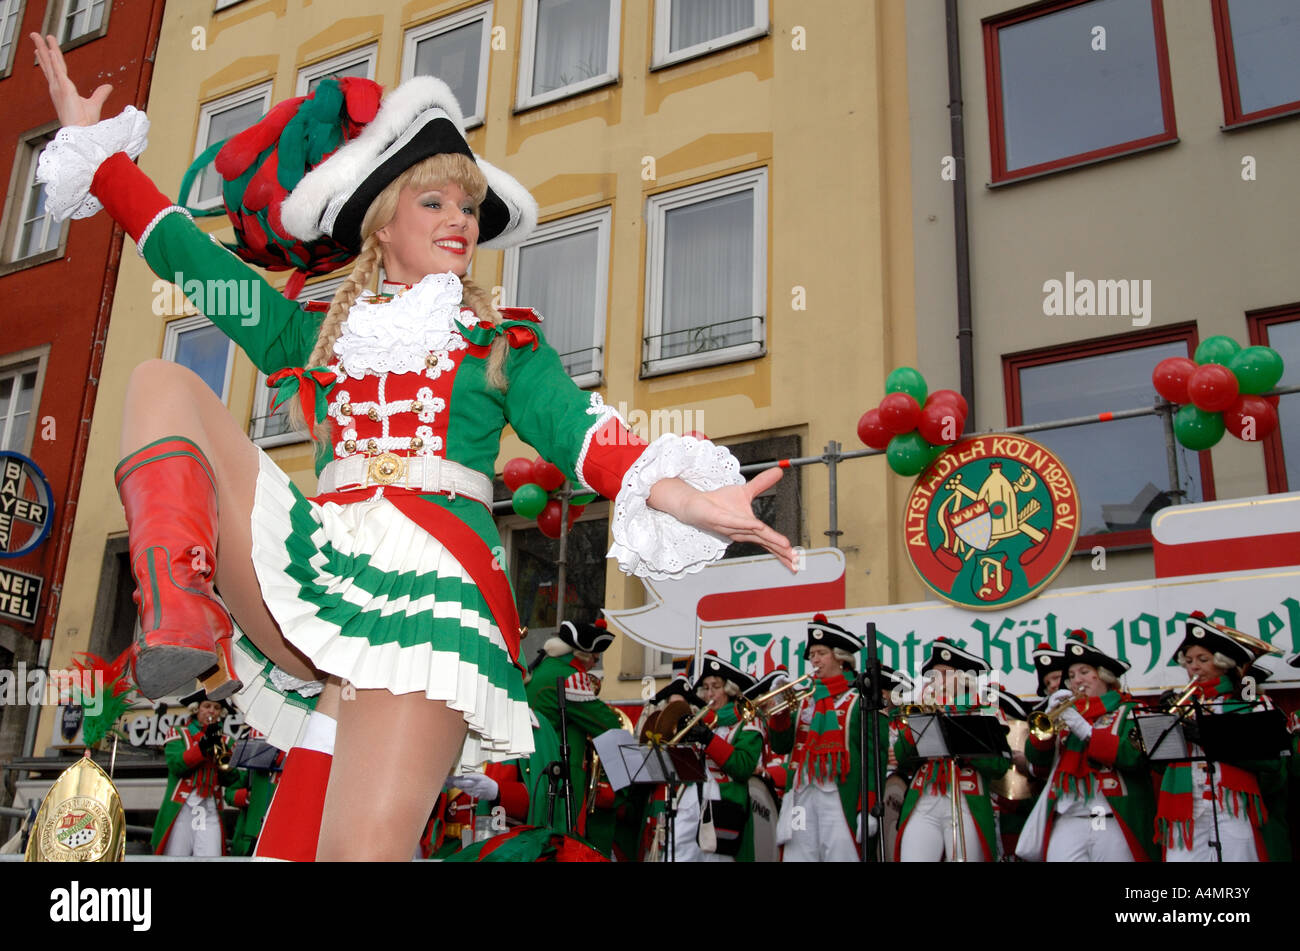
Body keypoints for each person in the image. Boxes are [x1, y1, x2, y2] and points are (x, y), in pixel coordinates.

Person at [32, 36, 794, 861]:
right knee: (160, 383)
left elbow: (584, 434)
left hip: (430, 600)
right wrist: (100, 163)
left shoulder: (501, 341)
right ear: (383, 221)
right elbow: (193, 260)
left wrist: (688, 495)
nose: (460, 221)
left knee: (342, 851)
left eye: (468, 208)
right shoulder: (313, 337)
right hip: (319, 567)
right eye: (435, 202)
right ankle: (175, 604)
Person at [1015, 633, 1156, 862]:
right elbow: (1037, 762)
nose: (1077, 680)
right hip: (1068, 816)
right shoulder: (1067, 716)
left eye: (1084, 672)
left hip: (1105, 817)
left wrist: (1087, 732)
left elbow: (1133, 758)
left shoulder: (1129, 710)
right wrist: (1048, 726)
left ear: (1104, 676)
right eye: (1071, 676)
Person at [1156, 615, 1278, 862]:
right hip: (1186, 812)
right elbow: (1159, 761)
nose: (1194, 667)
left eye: (1203, 660)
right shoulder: (1184, 704)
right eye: (1189, 661)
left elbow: (1269, 759)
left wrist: (1208, 736)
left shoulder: (1250, 703)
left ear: (1223, 664)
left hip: (1231, 808)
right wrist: (1162, 724)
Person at [770, 615, 888, 862]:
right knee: (797, 855)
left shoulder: (860, 700)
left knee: (840, 855)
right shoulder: (804, 700)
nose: (814, 659)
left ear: (841, 658)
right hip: (801, 796)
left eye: (821, 653)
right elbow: (781, 746)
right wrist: (780, 713)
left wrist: (867, 807)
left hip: (836, 796)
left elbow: (874, 758)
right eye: (812, 654)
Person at [894, 638, 1009, 862]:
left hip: (965, 797)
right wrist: (916, 720)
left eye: (945, 674)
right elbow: (902, 758)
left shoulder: (984, 709)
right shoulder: (923, 708)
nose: (938, 682)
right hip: (925, 796)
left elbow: (1000, 766)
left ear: (962, 678)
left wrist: (965, 743)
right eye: (933, 677)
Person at [673, 653, 763, 861]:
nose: (709, 694)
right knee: (675, 853)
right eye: (705, 687)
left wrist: (709, 740)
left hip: (724, 804)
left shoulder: (746, 722)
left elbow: (743, 766)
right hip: (691, 799)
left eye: (716, 686)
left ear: (729, 690)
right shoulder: (700, 721)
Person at [152, 690, 241, 856]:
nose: (211, 711)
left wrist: (220, 752)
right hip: (183, 808)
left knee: (211, 856)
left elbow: (231, 778)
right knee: (175, 857)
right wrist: (202, 746)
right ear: (196, 709)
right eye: (207, 706)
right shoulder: (178, 733)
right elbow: (177, 765)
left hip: (209, 807)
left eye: (216, 707)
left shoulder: (227, 741)